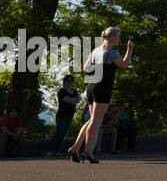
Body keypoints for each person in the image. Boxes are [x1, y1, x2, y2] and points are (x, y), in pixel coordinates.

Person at [69, 27, 134, 164]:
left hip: (92, 86)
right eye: (118, 36)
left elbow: (86, 68)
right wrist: (130, 50)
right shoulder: (112, 53)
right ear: (111, 38)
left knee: (92, 120)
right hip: (103, 87)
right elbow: (124, 65)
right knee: (96, 121)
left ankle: (75, 148)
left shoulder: (96, 51)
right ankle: (87, 152)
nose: (119, 39)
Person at [47, 75, 81, 156]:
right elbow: (69, 100)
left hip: (70, 115)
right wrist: (73, 100)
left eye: (71, 81)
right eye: (68, 81)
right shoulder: (61, 91)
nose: (69, 83)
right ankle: (51, 150)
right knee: (59, 133)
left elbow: (78, 100)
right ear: (64, 82)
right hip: (62, 116)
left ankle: (57, 150)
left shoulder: (74, 91)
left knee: (63, 134)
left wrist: (73, 100)